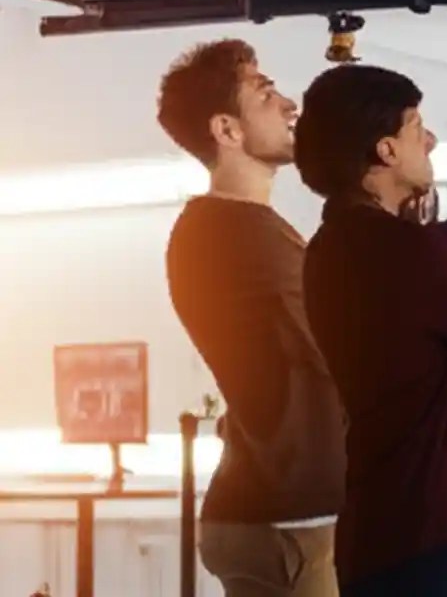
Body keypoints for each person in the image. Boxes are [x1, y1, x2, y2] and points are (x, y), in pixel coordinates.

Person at [293, 64, 447, 596]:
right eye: (416, 127)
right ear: (386, 151)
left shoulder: (331, 246)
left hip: (372, 527)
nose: (429, 139)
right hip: (428, 527)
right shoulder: (414, 252)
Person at [159, 39, 344, 597]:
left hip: (271, 508)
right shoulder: (240, 235)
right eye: (266, 95)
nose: (289, 105)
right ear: (227, 130)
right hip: (290, 519)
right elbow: (344, 345)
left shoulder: (231, 228)